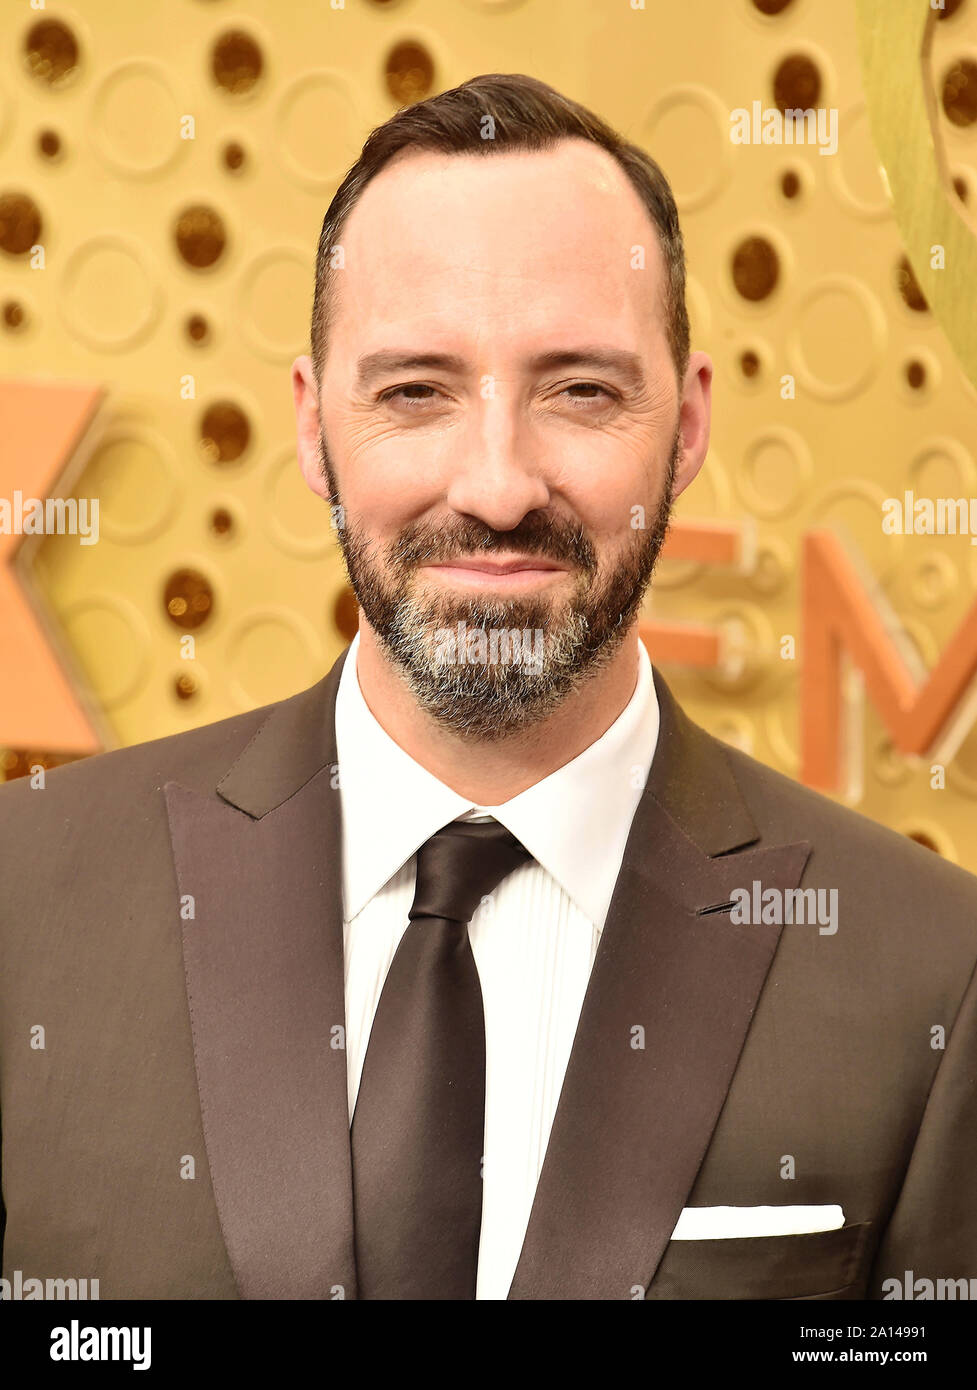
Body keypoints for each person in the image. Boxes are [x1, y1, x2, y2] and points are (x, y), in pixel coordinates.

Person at [1, 73, 975, 1302]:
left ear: (685, 427)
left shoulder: (937, 973)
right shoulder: (19, 903)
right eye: (415, 391)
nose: (499, 485)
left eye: (580, 389)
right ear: (313, 427)